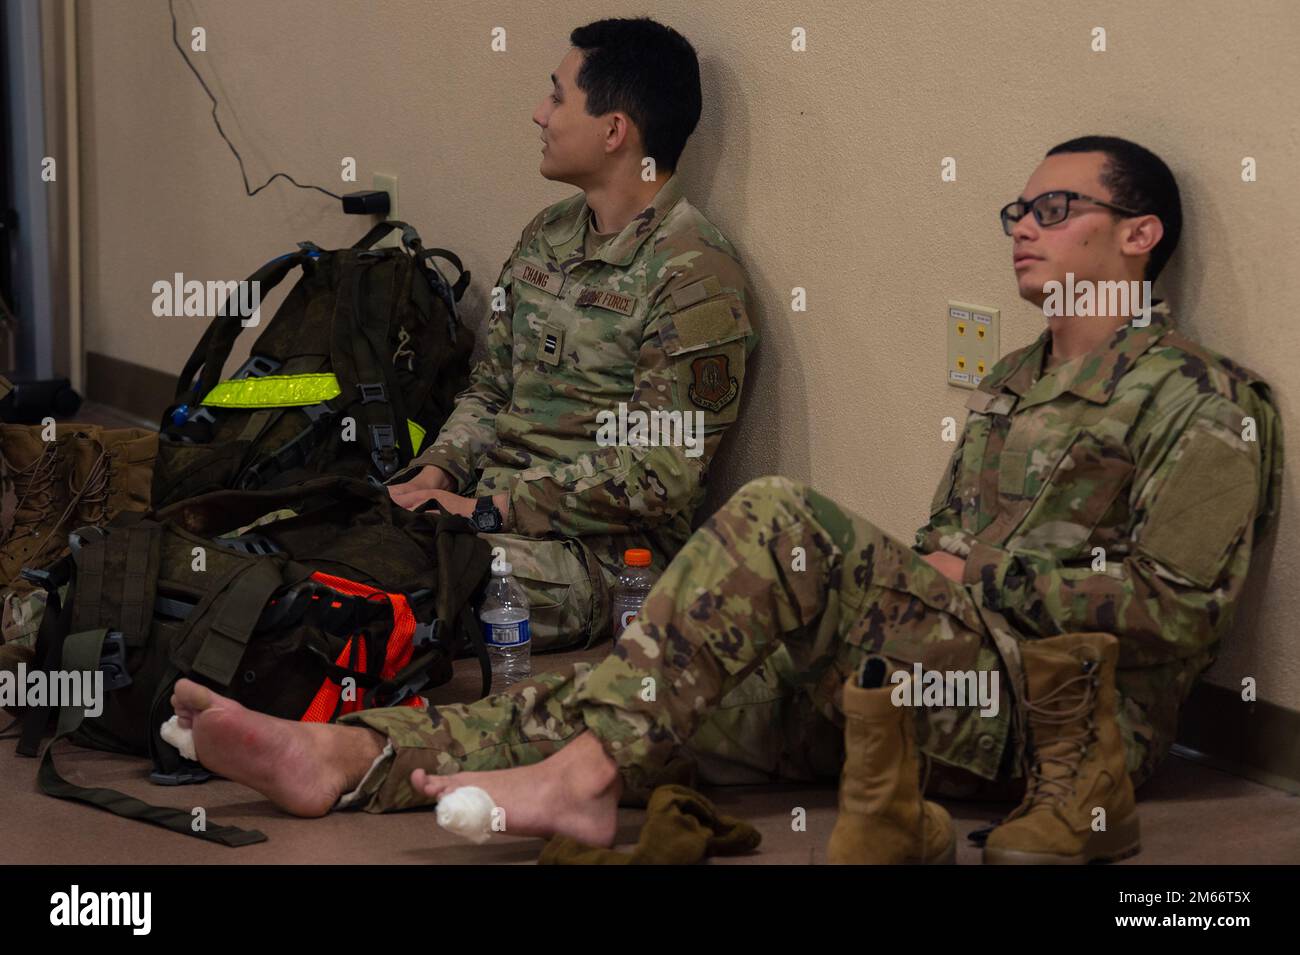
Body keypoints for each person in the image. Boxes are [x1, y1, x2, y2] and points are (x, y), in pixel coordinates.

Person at [170, 136, 1281, 865]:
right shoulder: (1012, 383)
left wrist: (976, 577)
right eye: (1015, 207)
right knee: (652, 680)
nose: (1020, 226)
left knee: (782, 517)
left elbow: (1179, 610)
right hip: (933, 690)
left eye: (1054, 206)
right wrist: (927, 587)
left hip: (1063, 736)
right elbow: (938, 557)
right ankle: (354, 756)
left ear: (1138, 236)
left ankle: (578, 784)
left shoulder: (1207, 401)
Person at [387, 17, 756, 651]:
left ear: (615, 131)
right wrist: (437, 475)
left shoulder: (696, 275)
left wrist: (490, 510)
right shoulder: (547, 234)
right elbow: (490, 388)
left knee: (390, 588)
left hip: (598, 562)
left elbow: (658, 477)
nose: (540, 113)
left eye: (558, 96)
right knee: (327, 536)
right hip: (482, 515)